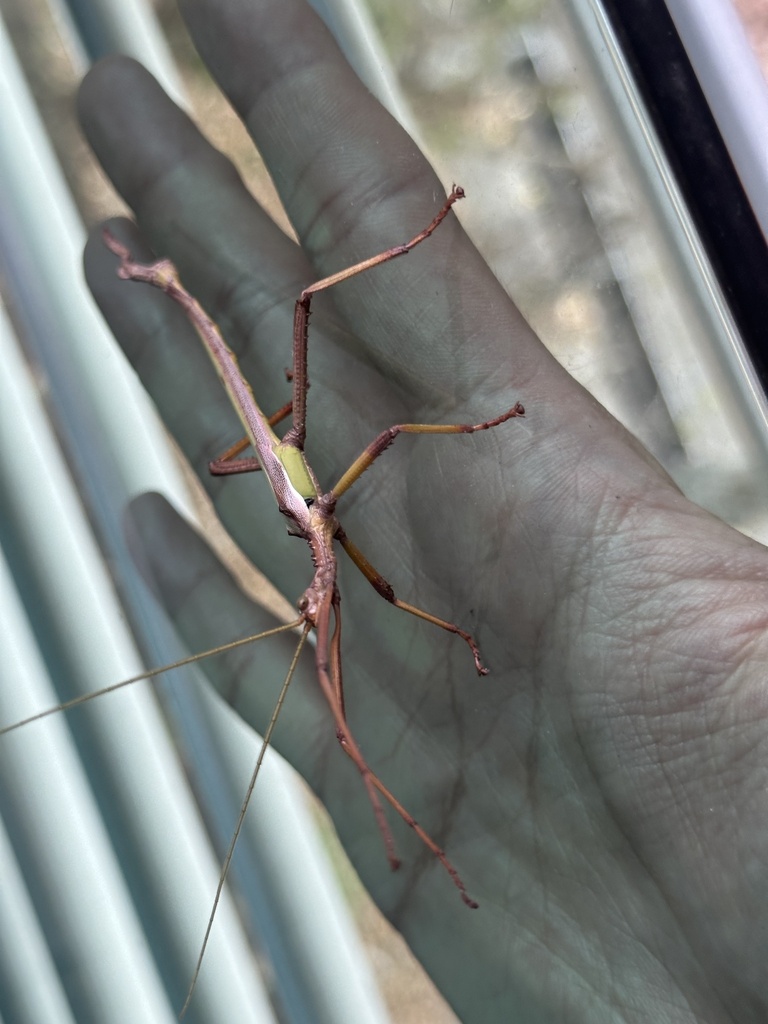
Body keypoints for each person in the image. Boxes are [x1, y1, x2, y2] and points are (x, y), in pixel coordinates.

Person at [79, 1, 768, 1020]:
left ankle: (252, 270)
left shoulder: (328, 520)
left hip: (294, 461)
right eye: (318, 609)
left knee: (318, 338)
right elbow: (346, 623)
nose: (320, 613)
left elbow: (343, 494)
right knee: (347, 709)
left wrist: (305, 438)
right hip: (292, 469)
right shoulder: (332, 552)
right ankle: (168, 285)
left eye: (317, 609)